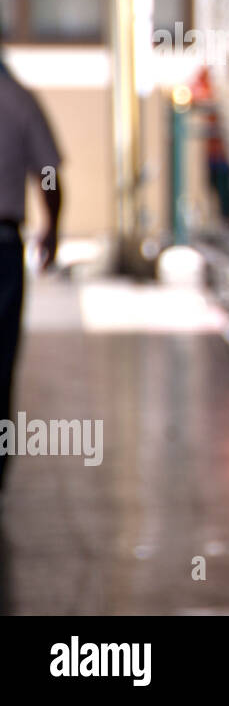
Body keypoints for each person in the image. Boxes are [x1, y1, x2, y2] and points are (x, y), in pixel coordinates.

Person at [0, 24, 62, 495]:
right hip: (4, 245)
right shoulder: (19, 99)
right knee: (1, 363)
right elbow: (48, 173)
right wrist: (52, 229)